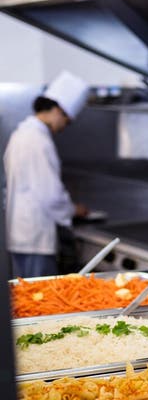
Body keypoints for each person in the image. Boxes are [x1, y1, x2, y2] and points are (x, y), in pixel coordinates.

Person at [4, 70, 89, 279]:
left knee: (25, 293)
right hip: (35, 234)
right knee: (39, 294)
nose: (63, 127)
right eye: (66, 121)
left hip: (19, 230)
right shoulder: (38, 140)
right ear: (58, 110)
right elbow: (50, 194)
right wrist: (72, 210)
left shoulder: (21, 133)